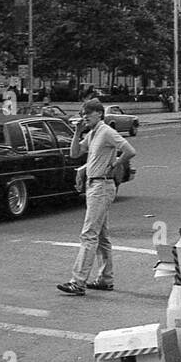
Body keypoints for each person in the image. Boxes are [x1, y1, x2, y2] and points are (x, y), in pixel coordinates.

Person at [57, 99, 136, 296]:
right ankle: (105, 279)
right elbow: (75, 153)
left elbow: (130, 150)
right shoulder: (93, 134)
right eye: (83, 114)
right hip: (93, 185)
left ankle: (78, 281)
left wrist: (116, 164)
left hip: (102, 185)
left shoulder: (107, 132)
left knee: (89, 234)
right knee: (101, 236)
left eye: (88, 114)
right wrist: (77, 132)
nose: (85, 117)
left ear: (99, 114)